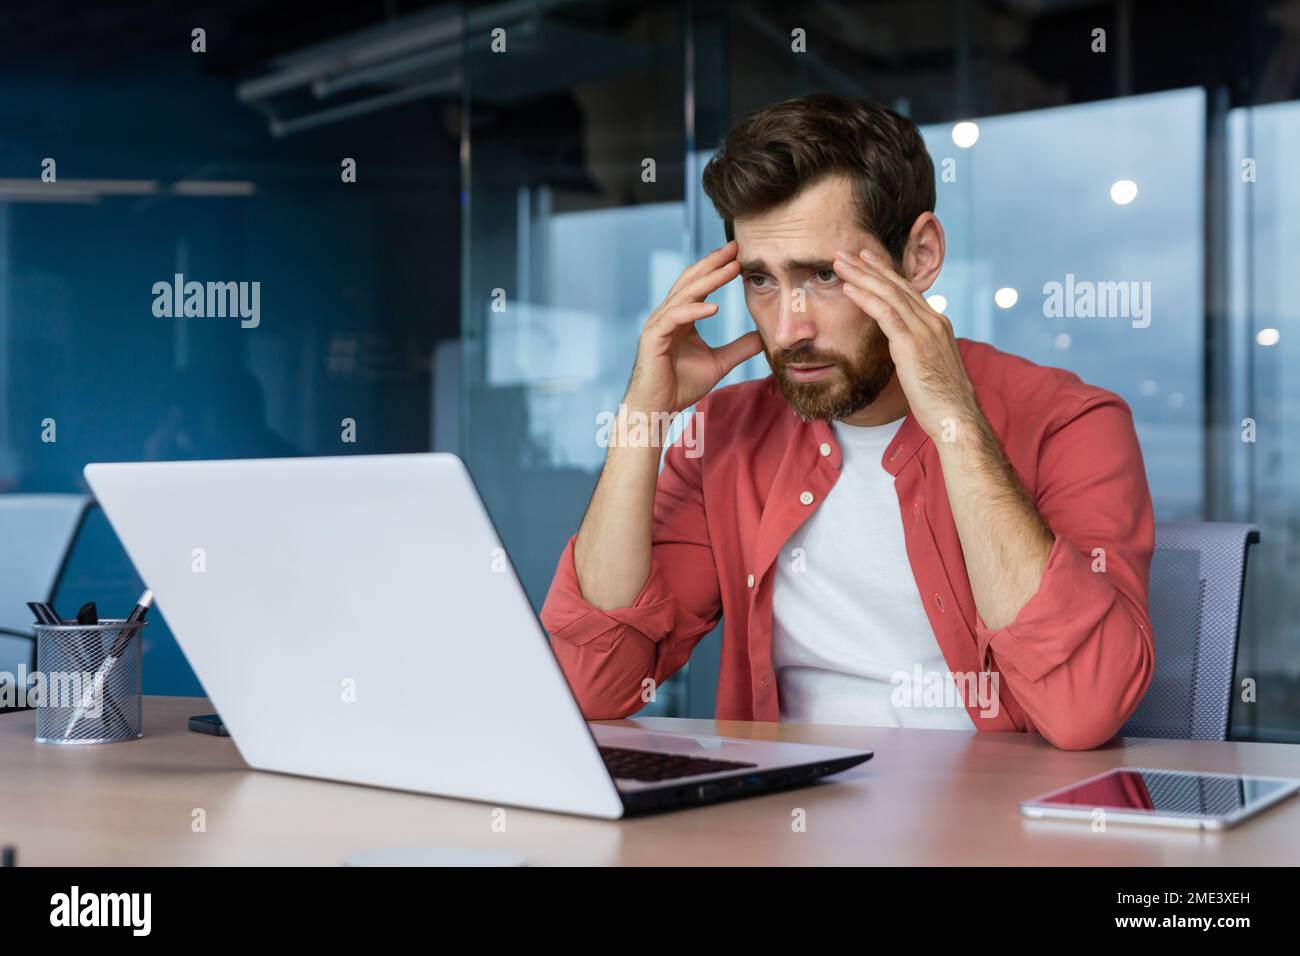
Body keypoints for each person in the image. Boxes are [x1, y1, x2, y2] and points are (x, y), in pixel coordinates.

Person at [540, 94, 1154, 750]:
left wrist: (953, 421)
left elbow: (1083, 709)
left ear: (918, 256)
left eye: (824, 277)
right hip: (783, 822)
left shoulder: (1072, 424)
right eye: (761, 280)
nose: (787, 328)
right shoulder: (725, 437)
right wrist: (643, 418)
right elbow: (594, 683)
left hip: (991, 828)